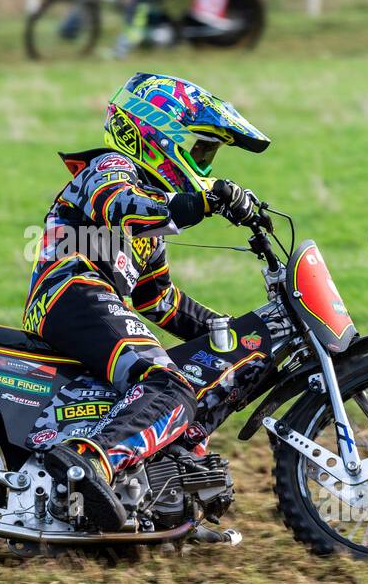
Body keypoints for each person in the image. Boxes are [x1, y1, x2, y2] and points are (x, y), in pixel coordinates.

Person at [23, 73, 270, 530]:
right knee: (168, 386)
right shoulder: (111, 168)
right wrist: (202, 204)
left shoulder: (150, 210)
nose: (204, 162)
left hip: (92, 300)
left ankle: (159, 493)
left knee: (189, 386)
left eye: (209, 153)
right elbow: (122, 207)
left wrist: (235, 333)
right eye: (199, 148)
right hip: (71, 294)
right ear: (153, 133)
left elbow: (158, 299)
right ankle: (88, 464)